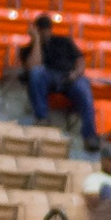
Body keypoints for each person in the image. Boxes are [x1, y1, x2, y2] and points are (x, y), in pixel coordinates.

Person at [18, 15, 99, 151]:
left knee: (84, 88)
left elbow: (80, 61)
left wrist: (76, 73)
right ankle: (42, 118)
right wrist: (37, 41)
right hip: (47, 77)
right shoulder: (28, 49)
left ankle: (90, 136)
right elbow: (34, 66)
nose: (45, 32)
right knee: (37, 73)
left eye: (47, 28)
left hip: (69, 77)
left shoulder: (64, 41)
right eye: (41, 29)